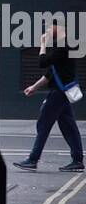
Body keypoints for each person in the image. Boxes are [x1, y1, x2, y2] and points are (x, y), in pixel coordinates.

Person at [14, 23, 84, 173]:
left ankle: (33, 160)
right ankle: (77, 160)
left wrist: (43, 44)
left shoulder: (63, 46)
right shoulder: (62, 47)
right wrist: (34, 87)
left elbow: (42, 62)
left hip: (58, 93)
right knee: (69, 127)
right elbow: (50, 73)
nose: (46, 31)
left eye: (49, 28)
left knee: (44, 124)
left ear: (58, 27)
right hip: (62, 92)